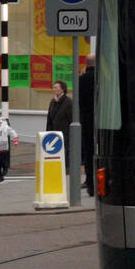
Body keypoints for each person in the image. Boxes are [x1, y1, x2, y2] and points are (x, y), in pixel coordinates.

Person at [46, 80, 74, 175]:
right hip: (54, 132)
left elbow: (72, 118)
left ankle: (66, 168)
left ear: (62, 89)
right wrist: (48, 132)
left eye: (56, 87)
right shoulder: (52, 101)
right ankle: (56, 167)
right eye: (54, 87)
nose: (54, 89)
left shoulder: (68, 102)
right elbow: (49, 118)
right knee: (55, 151)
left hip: (65, 132)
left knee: (65, 151)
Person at [78, 56, 96, 194]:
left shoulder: (81, 80)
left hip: (86, 120)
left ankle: (90, 184)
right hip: (101, 120)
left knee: (88, 152)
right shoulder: (101, 78)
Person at [0, 109, 19, 182]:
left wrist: (15, 138)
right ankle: (0, 176)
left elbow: (10, 131)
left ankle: (5, 167)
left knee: (3, 160)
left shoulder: (3, 125)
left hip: (3, 146)